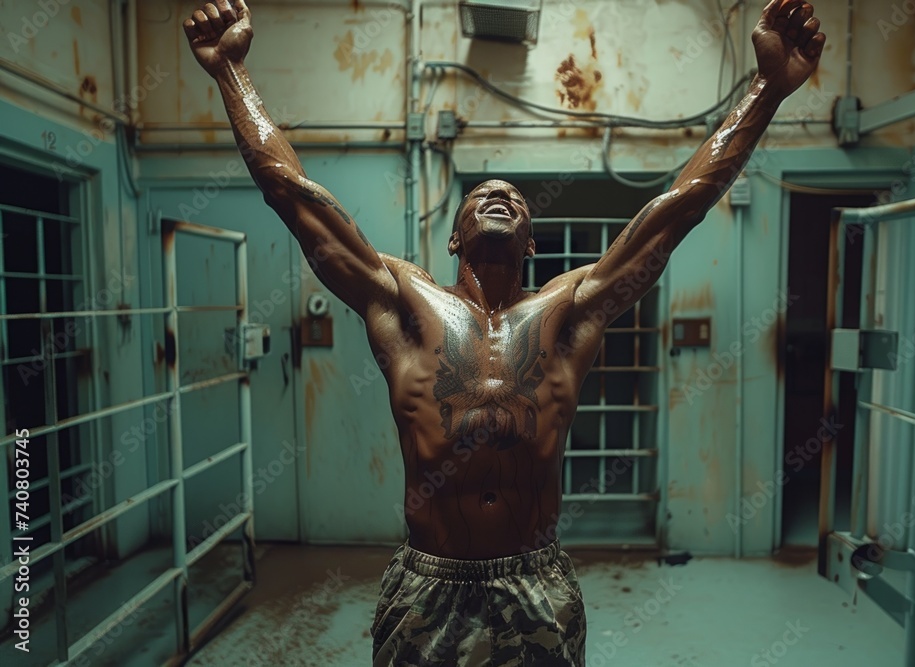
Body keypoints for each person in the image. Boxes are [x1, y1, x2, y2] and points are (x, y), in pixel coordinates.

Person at [184, 0, 825, 663]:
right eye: (480, 195)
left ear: (531, 239)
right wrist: (231, 71)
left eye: (515, 199)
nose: (499, 194)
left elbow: (678, 209)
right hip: (428, 582)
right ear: (456, 235)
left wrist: (766, 89)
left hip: (534, 581)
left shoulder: (569, 310)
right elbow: (292, 194)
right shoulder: (404, 300)